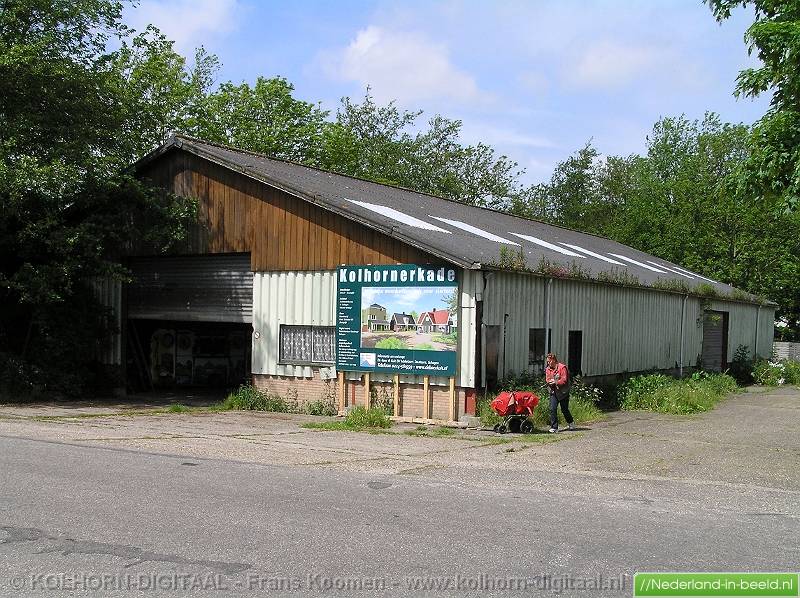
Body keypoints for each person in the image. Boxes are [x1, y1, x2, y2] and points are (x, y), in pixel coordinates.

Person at [545, 352, 575, 433]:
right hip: (553, 392)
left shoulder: (562, 367)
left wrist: (556, 382)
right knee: (552, 409)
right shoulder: (548, 369)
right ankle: (554, 427)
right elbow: (547, 379)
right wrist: (549, 382)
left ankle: (571, 422)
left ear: (554, 360)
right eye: (547, 362)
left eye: (549, 361)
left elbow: (564, 380)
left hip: (563, 392)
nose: (548, 363)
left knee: (564, 410)